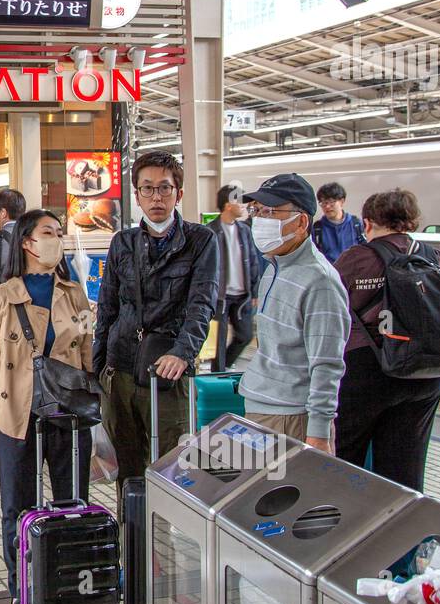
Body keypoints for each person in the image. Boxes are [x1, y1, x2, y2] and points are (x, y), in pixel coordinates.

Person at [0, 209, 94, 604]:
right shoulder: (0, 297)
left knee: (72, 502)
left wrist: (93, 395)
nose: (56, 239)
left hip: (68, 412)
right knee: (18, 506)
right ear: (27, 242)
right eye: (48, 233)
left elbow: (85, 348)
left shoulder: (73, 291)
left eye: (59, 233)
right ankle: (20, 588)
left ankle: (70, 585)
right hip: (18, 416)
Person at [94, 151, 218, 486]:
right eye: (147, 189)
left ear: (179, 193)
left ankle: (163, 536)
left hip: (166, 369)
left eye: (164, 188)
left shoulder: (200, 241)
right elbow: (106, 306)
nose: (156, 197)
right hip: (121, 366)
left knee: (171, 465)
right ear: (136, 196)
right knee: (127, 466)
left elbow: (201, 303)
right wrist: (98, 368)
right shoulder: (123, 242)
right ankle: (131, 534)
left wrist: (183, 352)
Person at [334, 189, 440, 491]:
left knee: (343, 458)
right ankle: (404, 532)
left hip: (368, 368)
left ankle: (346, 528)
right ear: (412, 221)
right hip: (429, 371)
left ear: (367, 222)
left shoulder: (357, 258)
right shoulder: (436, 257)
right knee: (407, 465)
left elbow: (332, 313)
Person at [239, 174, 351, 451]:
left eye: (270, 212)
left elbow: (327, 364)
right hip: (262, 408)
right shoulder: (274, 266)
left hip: (292, 418)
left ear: (301, 222)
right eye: (257, 211)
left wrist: (318, 434)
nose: (260, 220)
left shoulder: (319, 281)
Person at [207, 185, 264, 370]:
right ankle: (218, 374)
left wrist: (254, 290)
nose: (243, 206)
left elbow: (253, 261)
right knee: (218, 341)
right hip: (220, 296)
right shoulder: (211, 231)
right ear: (227, 204)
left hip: (242, 295)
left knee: (245, 335)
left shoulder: (245, 230)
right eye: (238, 201)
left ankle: (224, 366)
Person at [312, 182, 366, 265]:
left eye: (331, 202)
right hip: (328, 275)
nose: (327, 206)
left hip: (354, 274)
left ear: (342, 201)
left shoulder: (357, 225)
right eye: (323, 203)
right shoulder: (316, 229)